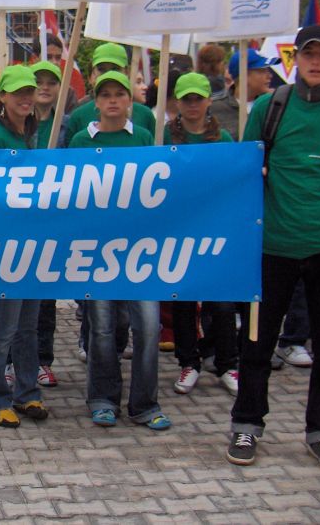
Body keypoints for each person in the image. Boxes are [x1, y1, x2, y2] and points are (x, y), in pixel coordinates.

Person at [227, 25, 320, 470]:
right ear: (296, 59)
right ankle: (247, 424)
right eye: (309, 54)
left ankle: (319, 430)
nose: (316, 62)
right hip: (271, 247)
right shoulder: (271, 107)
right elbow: (246, 169)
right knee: (257, 344)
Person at [69, 71, 171, 432]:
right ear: (95, 102)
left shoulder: (144, 137)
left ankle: (144, 403)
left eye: (119, 94)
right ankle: (102, 398)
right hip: (97, 250)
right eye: (105, 94)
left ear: (130, 100)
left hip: (140, 250)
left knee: (147, 326)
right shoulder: (81, 140)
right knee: (101, 328)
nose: (113, 100)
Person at [0, 65, 49, 427]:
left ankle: (27, 392)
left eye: (29, 91)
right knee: (3, 327)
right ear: (2, 98)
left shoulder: (35, 136)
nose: (25, 97)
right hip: (6, 247)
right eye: (17, 91)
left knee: (28, 328)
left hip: (34, 245)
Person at [163, 73, 239, 398]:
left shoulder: (225, 139)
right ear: (178, 103)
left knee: (221, 303)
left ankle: (226, 363)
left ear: (209, 100)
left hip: (215, 230)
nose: (192, 105)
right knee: (182, 301)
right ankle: (189, 362)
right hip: (180, 230)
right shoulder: (164, 136)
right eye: (186, 99)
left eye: (198, 98)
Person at [29, 59, 70, 387]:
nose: (44, 87)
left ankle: (43, 359)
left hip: (54, 227)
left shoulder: (67, 127)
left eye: (50, 82)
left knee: (46, 301)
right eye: (37, 81)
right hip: (21, 226)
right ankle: (15, 361)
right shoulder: (19, 125)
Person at [65, 42, 156, 139]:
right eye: (102, 69)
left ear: (127, 73)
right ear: (92, 75)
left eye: (115, 69)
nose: (108, 74)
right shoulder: (78, 116)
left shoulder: (145, 115)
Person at [209, 48, 279, 140]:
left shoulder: (274, 106)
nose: (270, 76)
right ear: (244, 74)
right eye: (262, 71)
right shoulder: (214, 107)